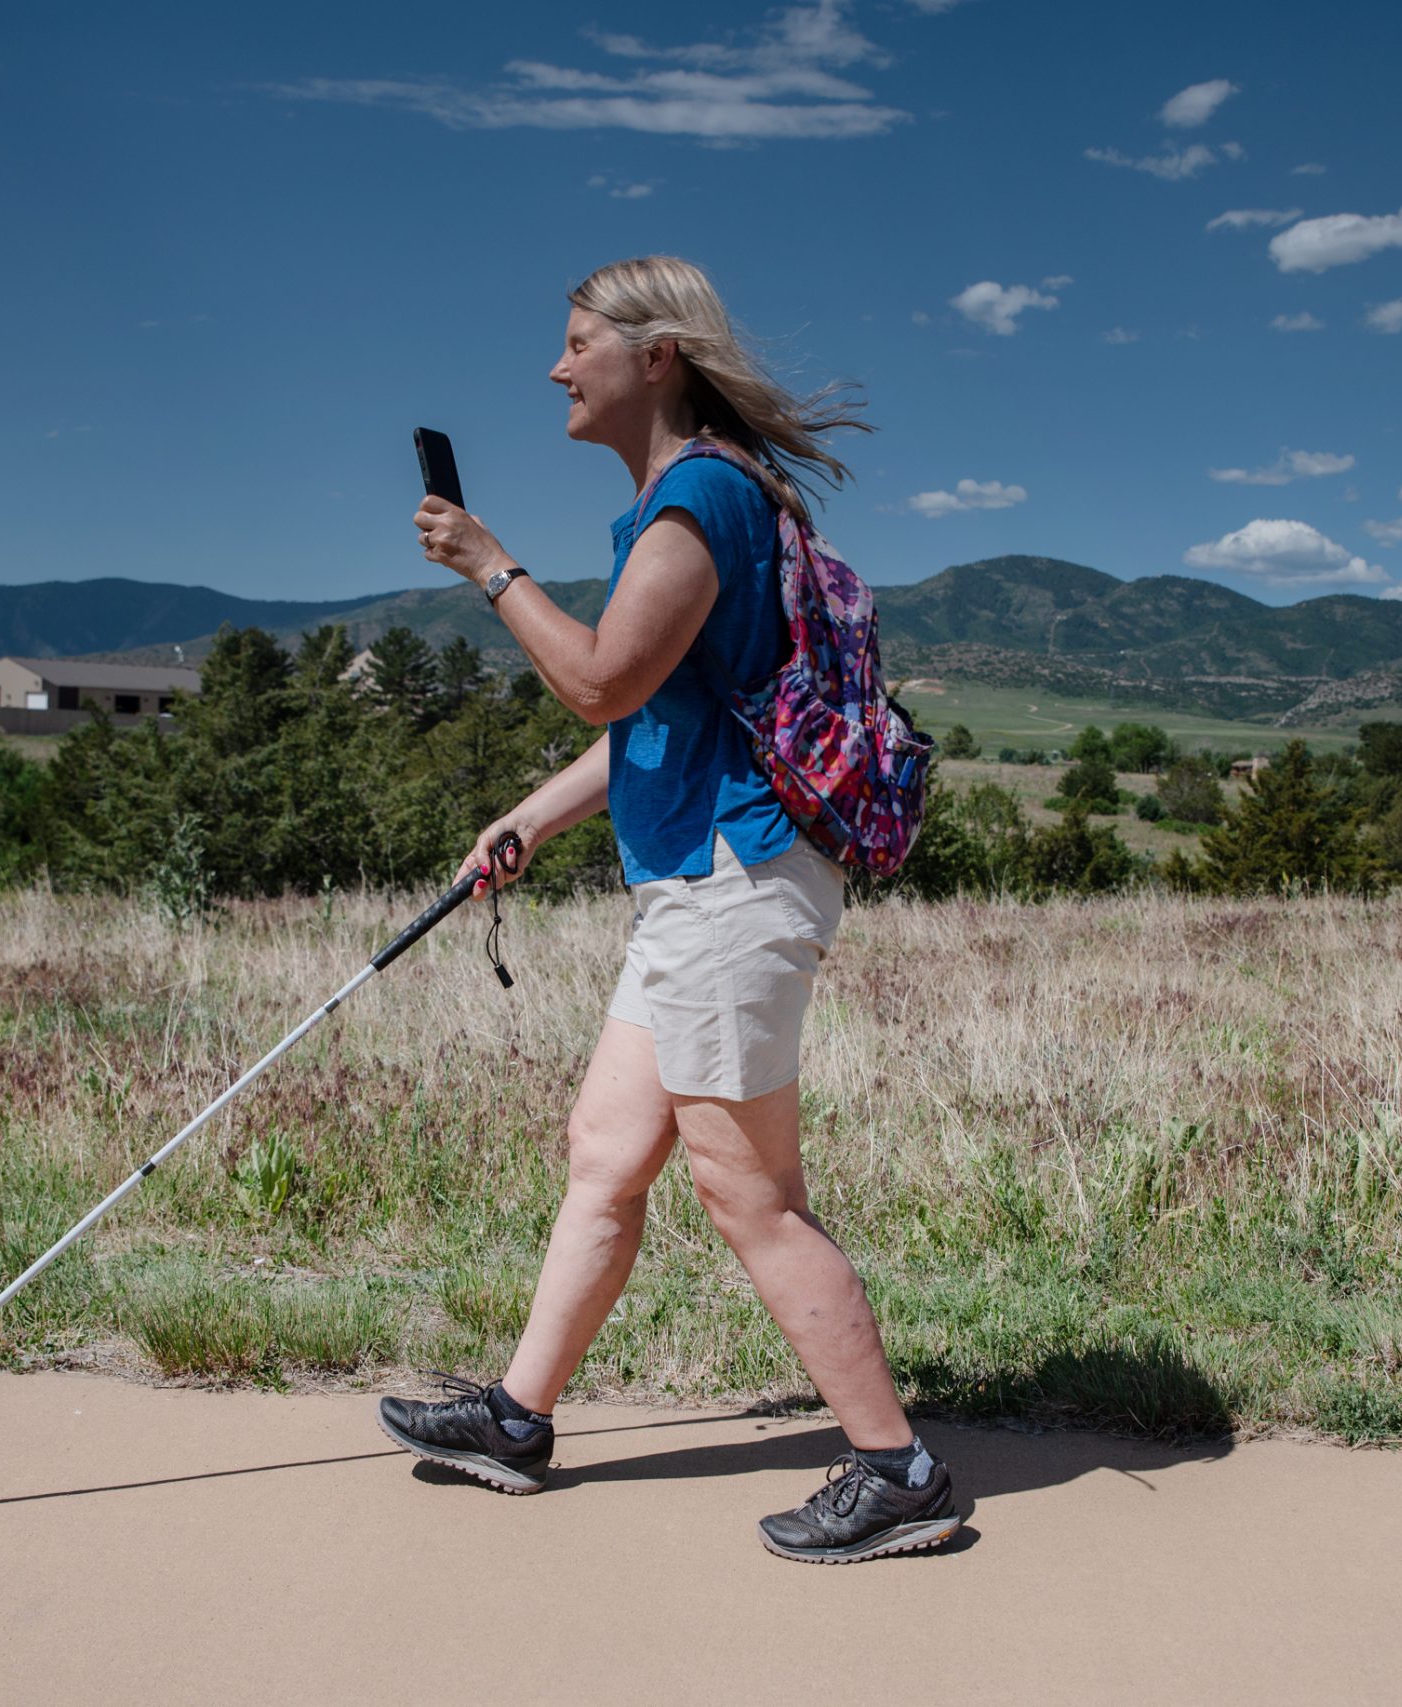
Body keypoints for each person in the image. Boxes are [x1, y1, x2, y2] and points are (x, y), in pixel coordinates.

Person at [376, 255, 956, 1565]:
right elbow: (647, 718)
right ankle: (517, 1421)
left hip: (729, 886)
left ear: (657, 358)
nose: (554, 366)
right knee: (604, 1150)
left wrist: (488, 563)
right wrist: (533, 815)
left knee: (748, 1192)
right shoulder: (686, 504)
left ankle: (896, 1468)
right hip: (696, 886)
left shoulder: (696, 501)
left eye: (576, 341)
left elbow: (595, 679)